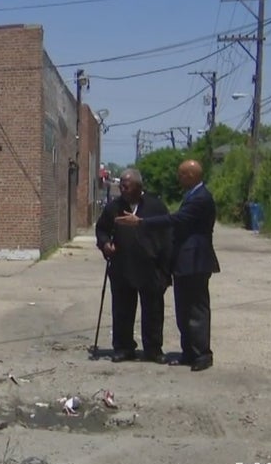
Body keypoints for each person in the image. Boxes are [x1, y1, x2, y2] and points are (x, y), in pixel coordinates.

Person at [115, 159, 220, 371]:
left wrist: (141, 222)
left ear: (191, 176)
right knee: (183, 310)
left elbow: (178, 220)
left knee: (196, 310)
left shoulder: (201, 198)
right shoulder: (191, 195)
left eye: (181, 174)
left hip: (196, 261)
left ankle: (202, 354)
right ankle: (189, 352)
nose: (178, 178)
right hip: (184, 262)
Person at [94, 169, 172, 363]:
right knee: (122, 310)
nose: (122, 189)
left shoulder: (156, 207)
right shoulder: (114, 207)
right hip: (122, 266)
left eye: (126, 186)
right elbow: (101, 229)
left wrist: (166, 270)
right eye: (121, 185)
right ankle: (123, 347)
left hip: (150, 268)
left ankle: (153, 349)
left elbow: (168, 237)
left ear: (138, 187)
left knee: (153, 311)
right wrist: (105, 244)